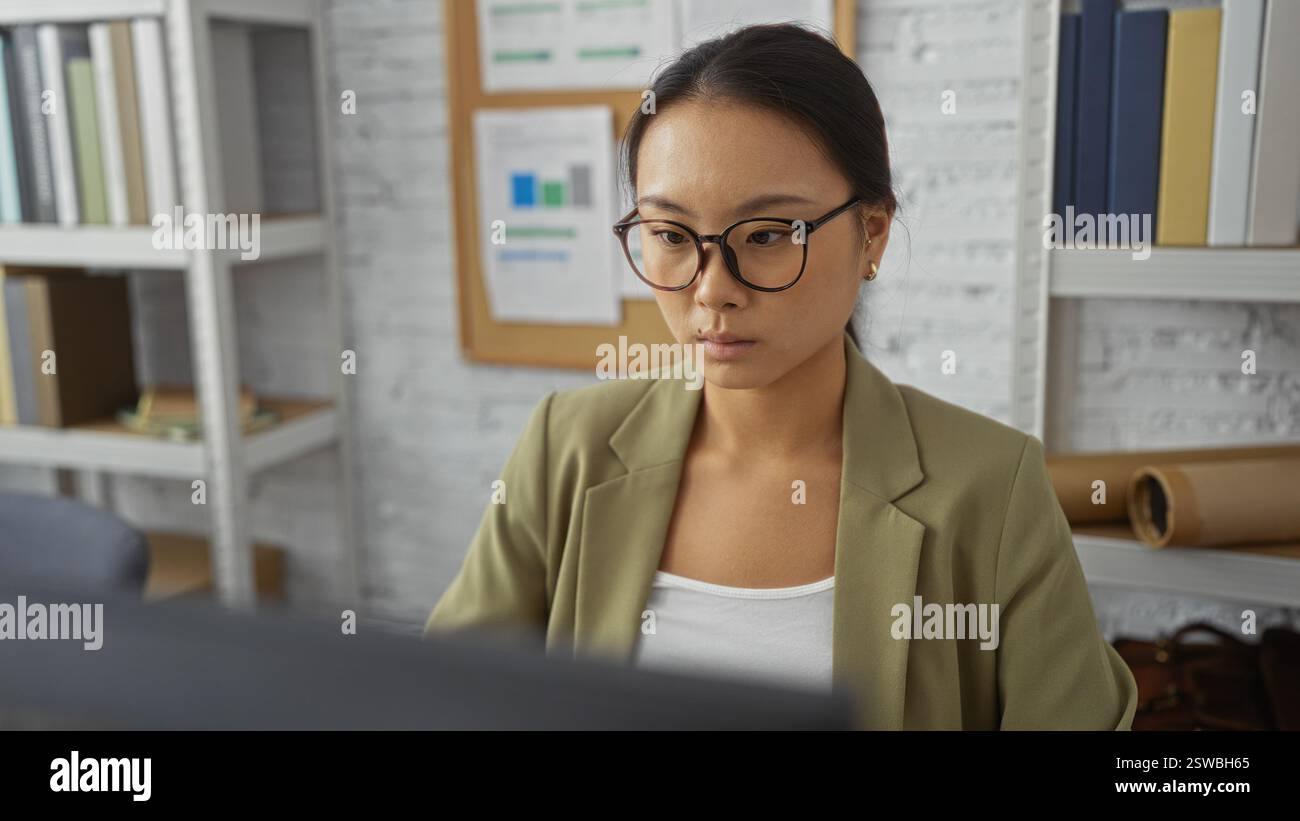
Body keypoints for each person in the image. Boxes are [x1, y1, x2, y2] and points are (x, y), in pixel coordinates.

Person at [426, 22, 1137, 730]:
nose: (711, 290)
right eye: (671, 236)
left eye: (767, 235)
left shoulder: (992, 487)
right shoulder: (566, 450)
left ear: (873, 234)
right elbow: (440, 701)